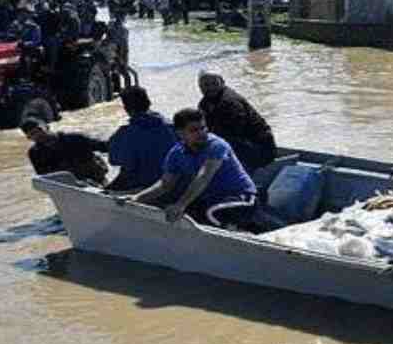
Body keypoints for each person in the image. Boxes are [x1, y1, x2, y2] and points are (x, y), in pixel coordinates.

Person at [124, 108, 259, 229]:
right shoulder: (176, 153)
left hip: (242, 198)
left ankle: (243, 232)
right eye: (194, 130)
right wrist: (137, 198)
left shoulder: (217, 145)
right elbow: (164, 185)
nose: (202, 133)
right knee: (171, 210)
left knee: (210, 214)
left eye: (203, 128)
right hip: (211, 199)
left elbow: (203, 176)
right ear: (180, 133)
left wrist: (181, 204)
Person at [197, 70, 277, 171]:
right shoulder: (204, 103)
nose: (211, 88)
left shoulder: (231, 102)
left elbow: (233, 133)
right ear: (199, 87)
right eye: (206, 85)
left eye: (214, 83)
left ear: (222, 83)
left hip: (259, 149)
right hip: (241, 144)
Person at [104, 87, 178, 193]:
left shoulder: (125, 132)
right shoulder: (173, 127)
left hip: (140, 186)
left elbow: (114, 160)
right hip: (171, 184)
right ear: (149, 102)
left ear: (125, 108)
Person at [21, 118, 110, 185]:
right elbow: (45, 177)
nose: (38, 135)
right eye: (32, 134)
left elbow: (105, 146)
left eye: (39, 130)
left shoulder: (75, 138)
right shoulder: (35, 153)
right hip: (69, 188)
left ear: (47, 127)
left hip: (97, 181)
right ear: (29, 138)